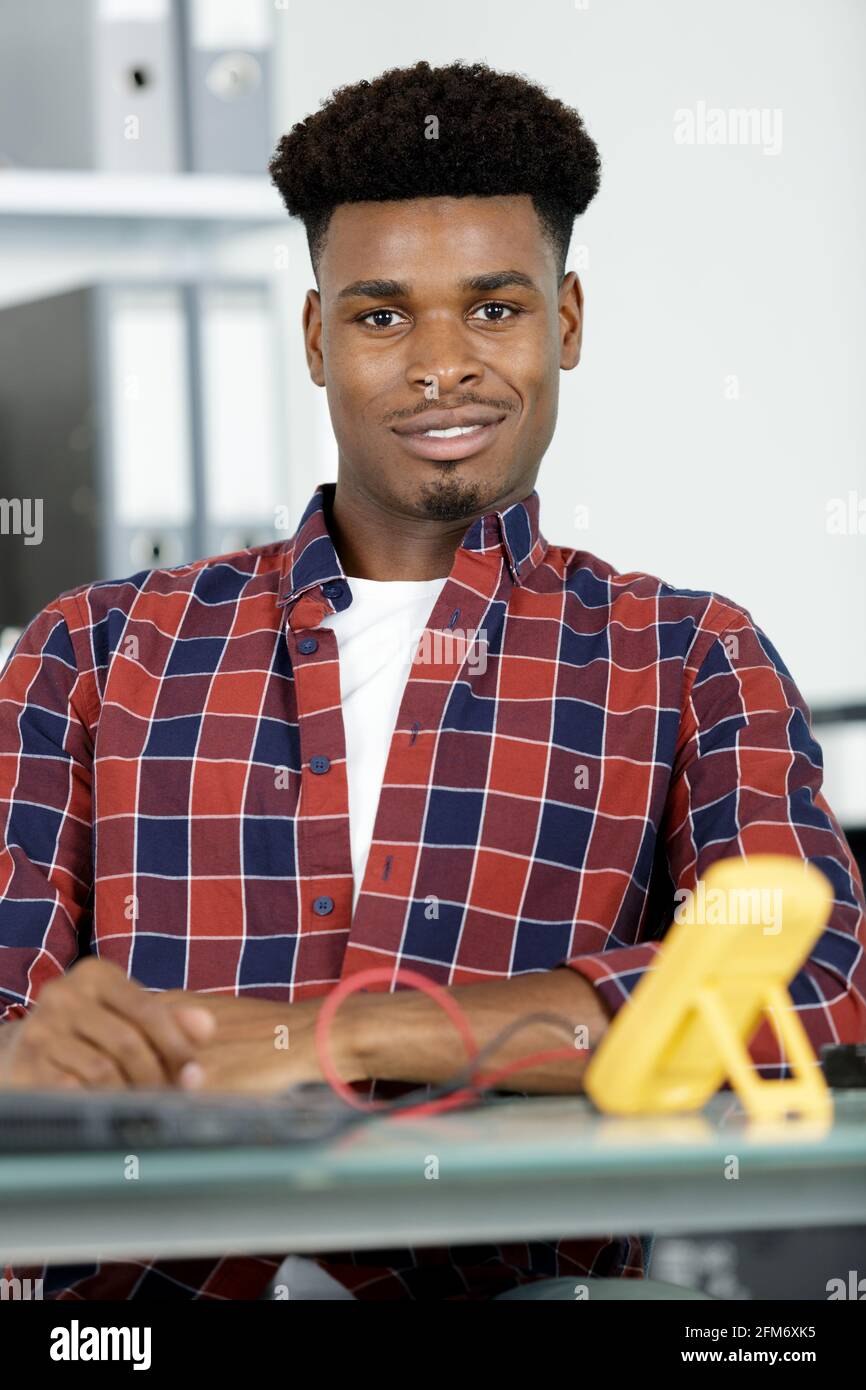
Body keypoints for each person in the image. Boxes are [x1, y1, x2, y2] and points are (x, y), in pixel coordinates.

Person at [0, 60, 863, 1301]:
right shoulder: (91, 648)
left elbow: (810, 985)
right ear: (315, 337)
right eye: (382, 314)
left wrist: (335, 1036)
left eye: (494, 309)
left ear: (566, 320)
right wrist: (32, 1057)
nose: (441, 365)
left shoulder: (686, 658)